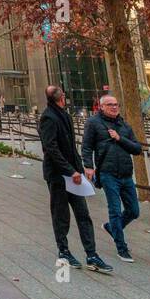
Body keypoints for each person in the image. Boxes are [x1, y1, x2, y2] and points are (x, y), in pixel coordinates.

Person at [39, 85, 112, 274]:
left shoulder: (64, 115)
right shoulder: (48, 117)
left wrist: (80, 169)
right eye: (64, 95)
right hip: (59, 176)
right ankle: (63, 251)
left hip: (74, 175)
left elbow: (70, 147)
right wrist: (70, 171)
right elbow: (51, 148)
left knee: (83, 214)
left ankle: (91, 254)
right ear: (61, 97)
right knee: (61, 214)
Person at [82, 93, 143, 263]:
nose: (114, 107)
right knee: (114, 210)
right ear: (101, 107)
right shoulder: (93, 123)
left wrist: (119, 138)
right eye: (110, 104)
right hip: (108, 173)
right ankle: (121, 247)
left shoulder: (124, 125)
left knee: (134, 211)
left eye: (116, 104)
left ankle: (111, 228)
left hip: (126, 174)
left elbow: (137, 149)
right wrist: (88, 166)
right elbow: (86, 146)